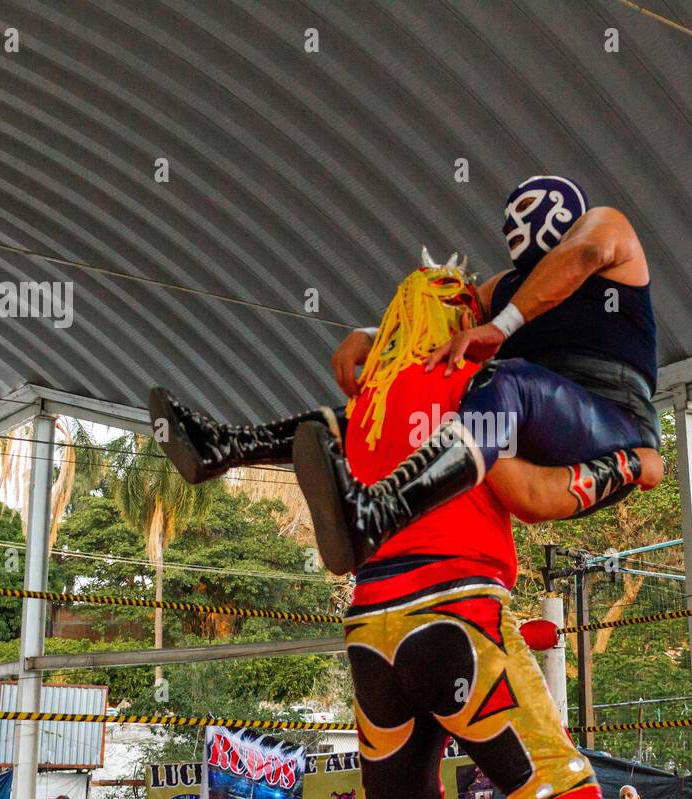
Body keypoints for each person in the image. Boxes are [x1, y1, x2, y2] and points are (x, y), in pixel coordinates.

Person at [157, 174, 665, 576]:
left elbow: (583, 255)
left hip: (611, 415)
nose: (517, 221)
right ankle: (226, 446)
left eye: (530, 212)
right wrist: (371, 335)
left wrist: (503, 325)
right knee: (408, 399)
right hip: (529, 422)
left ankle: (383, 511)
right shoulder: (500, 289)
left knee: (500, 380)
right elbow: (440, 320)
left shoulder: (607, 228)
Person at [315, 262, 608, 799]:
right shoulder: (485, 382)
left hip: (371, 630)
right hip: (460, 609)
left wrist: (370, 336)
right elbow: (534, 497)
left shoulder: (366, 403)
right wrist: (626, 466)